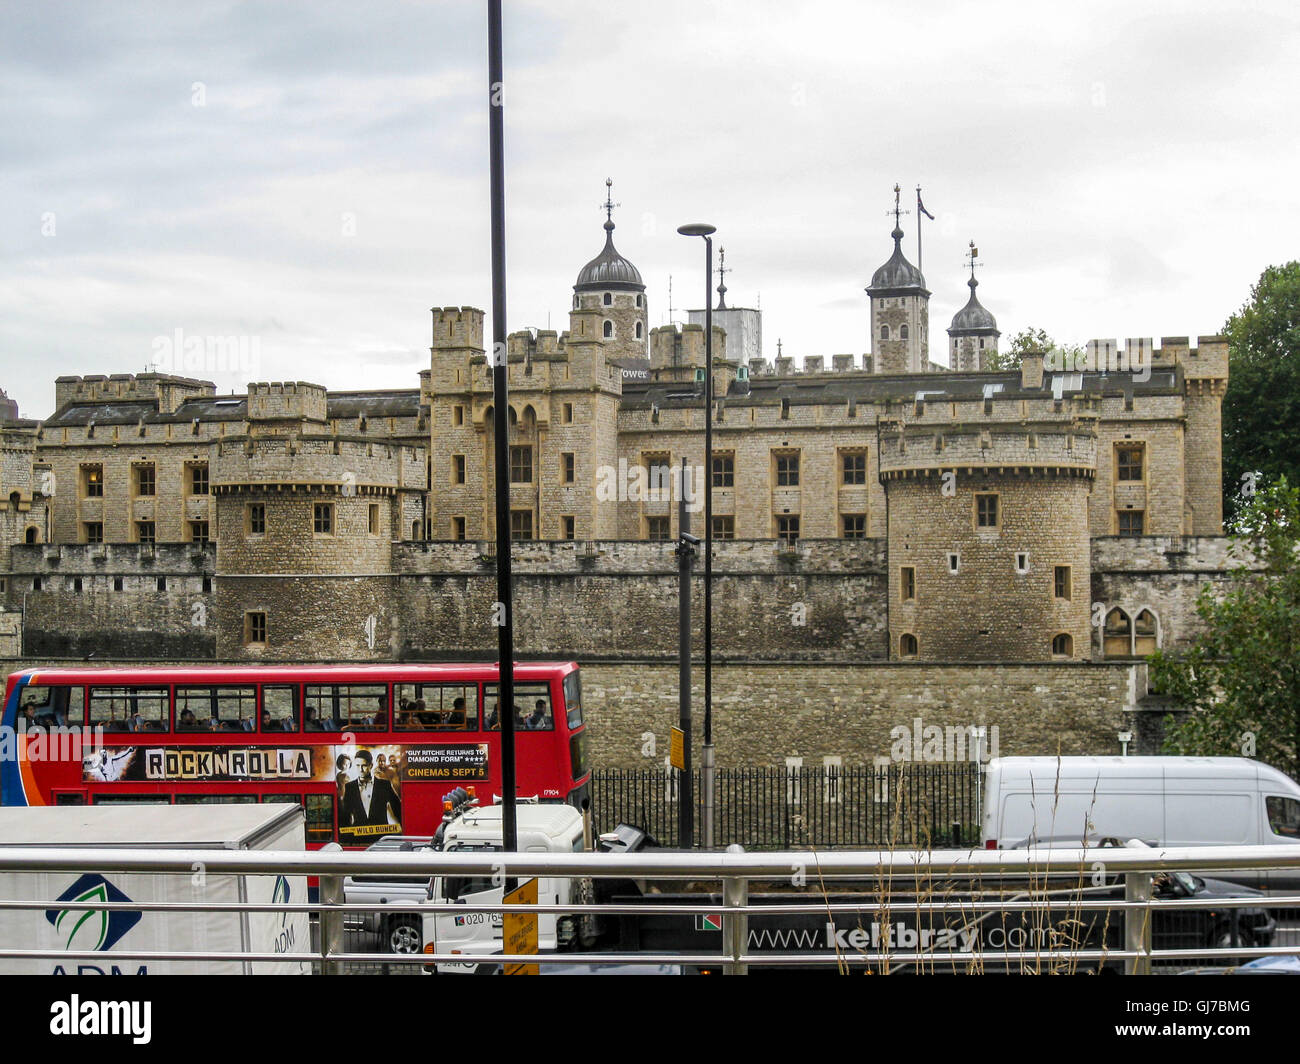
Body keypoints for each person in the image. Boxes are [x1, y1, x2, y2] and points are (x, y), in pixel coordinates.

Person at [339, 750, 401, 834]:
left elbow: (399, 810)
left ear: (371, 765)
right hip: (358, 839)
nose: (360, 769)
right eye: (357, 765)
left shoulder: (385, 785)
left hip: (381, 839)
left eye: (364, 766)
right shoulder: (350, 787)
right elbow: (345, 817)